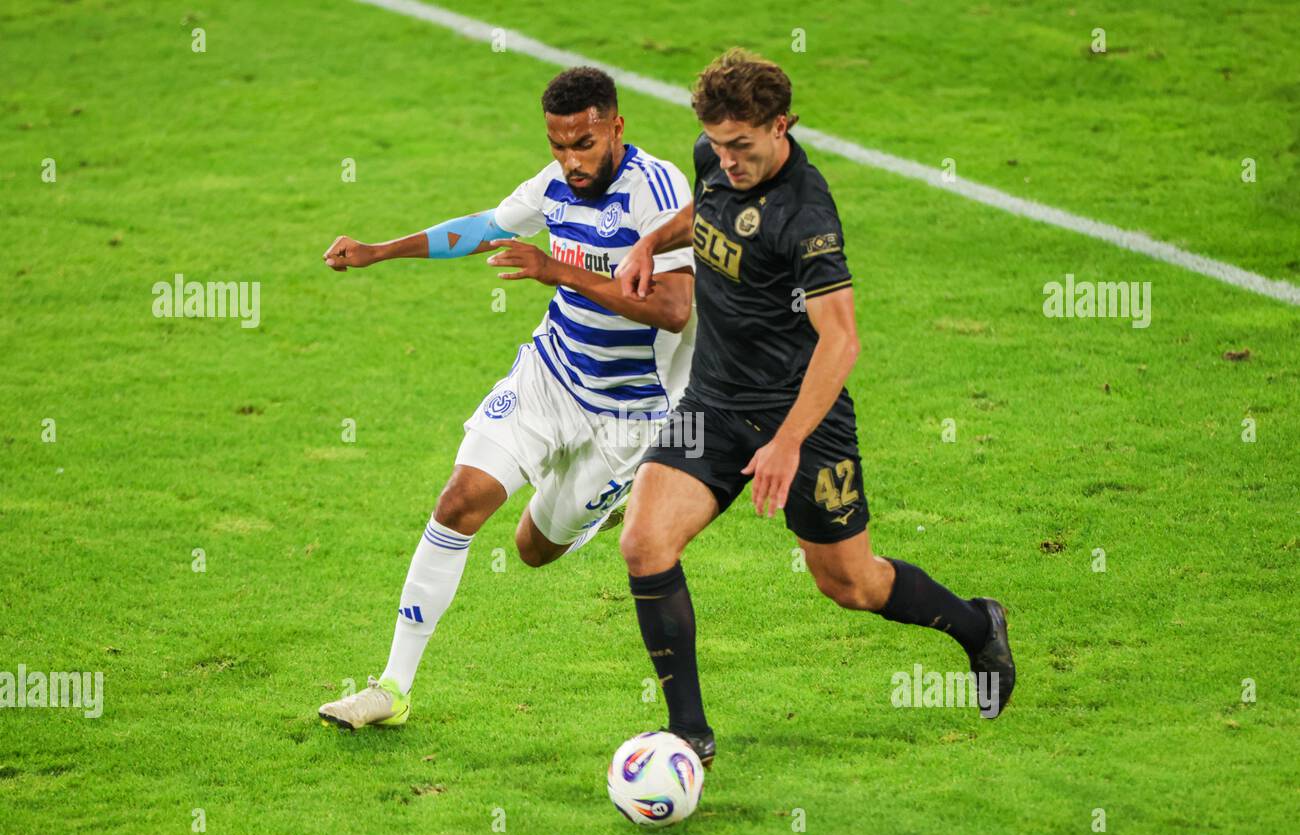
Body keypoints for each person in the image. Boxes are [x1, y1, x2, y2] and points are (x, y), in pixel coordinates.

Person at [614, 50, 1015, 766]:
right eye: (718, 143)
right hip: (713, 400)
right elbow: (706, 206)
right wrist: (651, 240)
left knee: (850, 583)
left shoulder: (807, 215)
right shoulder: (715, 154)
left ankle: (977, 624)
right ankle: (689, 734)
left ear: (782, 125)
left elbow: (842, 340)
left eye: (743, 146)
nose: (727, 159)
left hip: (804, 419)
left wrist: (790, 441)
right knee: (644, 542)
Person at [317, 67, 695, 730]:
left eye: (583, 143)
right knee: (459, 501)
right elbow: (483, 228)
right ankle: (391, 689)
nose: (571, 162)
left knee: (532, 548)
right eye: (558, 145)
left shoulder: (657, 193)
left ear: (616, 127)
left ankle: (607, 506)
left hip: (630, 412)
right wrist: (380, 251)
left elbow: (672, 308)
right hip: (549, 375)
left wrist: (557, 270)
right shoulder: (553, 187)